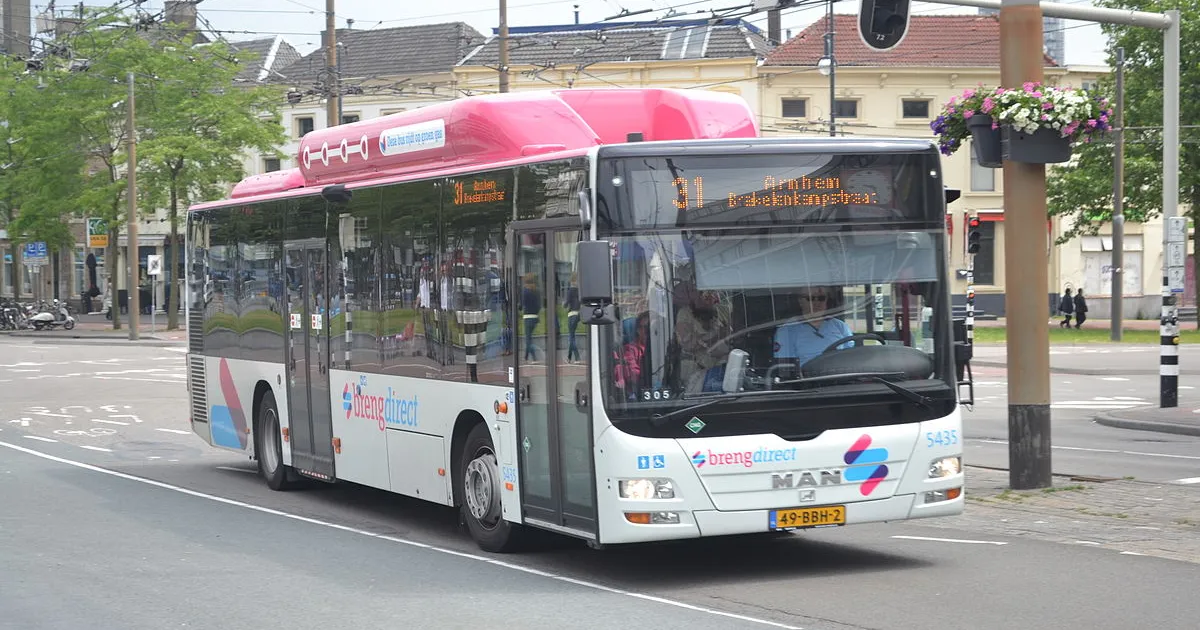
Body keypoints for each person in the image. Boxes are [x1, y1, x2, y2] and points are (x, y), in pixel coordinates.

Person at [773, 286, 854, 367]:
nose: (816, 303)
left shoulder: (840, 326)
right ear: (800, 301)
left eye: (821, 298)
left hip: (839, 373)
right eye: (810, 298)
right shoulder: (787, 330)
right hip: (806, 374)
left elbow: (851, 358)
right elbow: (786, 368)